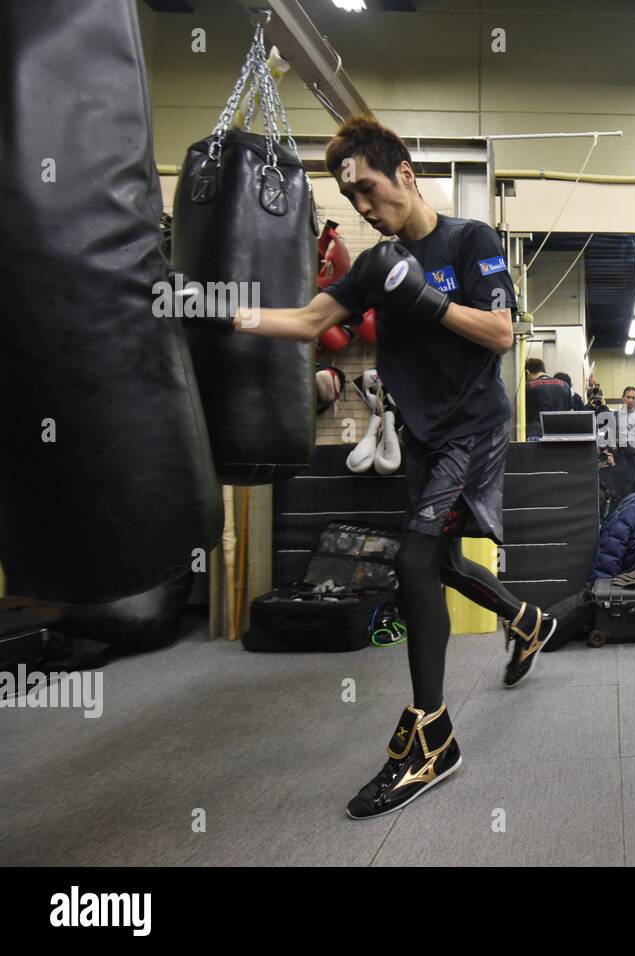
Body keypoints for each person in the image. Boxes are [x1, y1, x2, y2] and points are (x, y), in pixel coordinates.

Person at [218, 115, 556, 817]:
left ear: (404, 171)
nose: (365, 209)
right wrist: (223, 313)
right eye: (353, 200)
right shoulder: (373, 264)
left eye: (370, 190)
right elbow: (311, 322)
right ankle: (526, 620)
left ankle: (433, 736)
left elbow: (500, 334)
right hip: (428, 438)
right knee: (434, 563)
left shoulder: (472, 240)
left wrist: (426, 300)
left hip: (473, 431)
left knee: (412, 563)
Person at [523, 357, 574, 439]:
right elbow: (570, 411)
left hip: (535, 436)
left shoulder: (527, 387)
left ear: (527, 372)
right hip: (561, 435)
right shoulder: (565, 386)